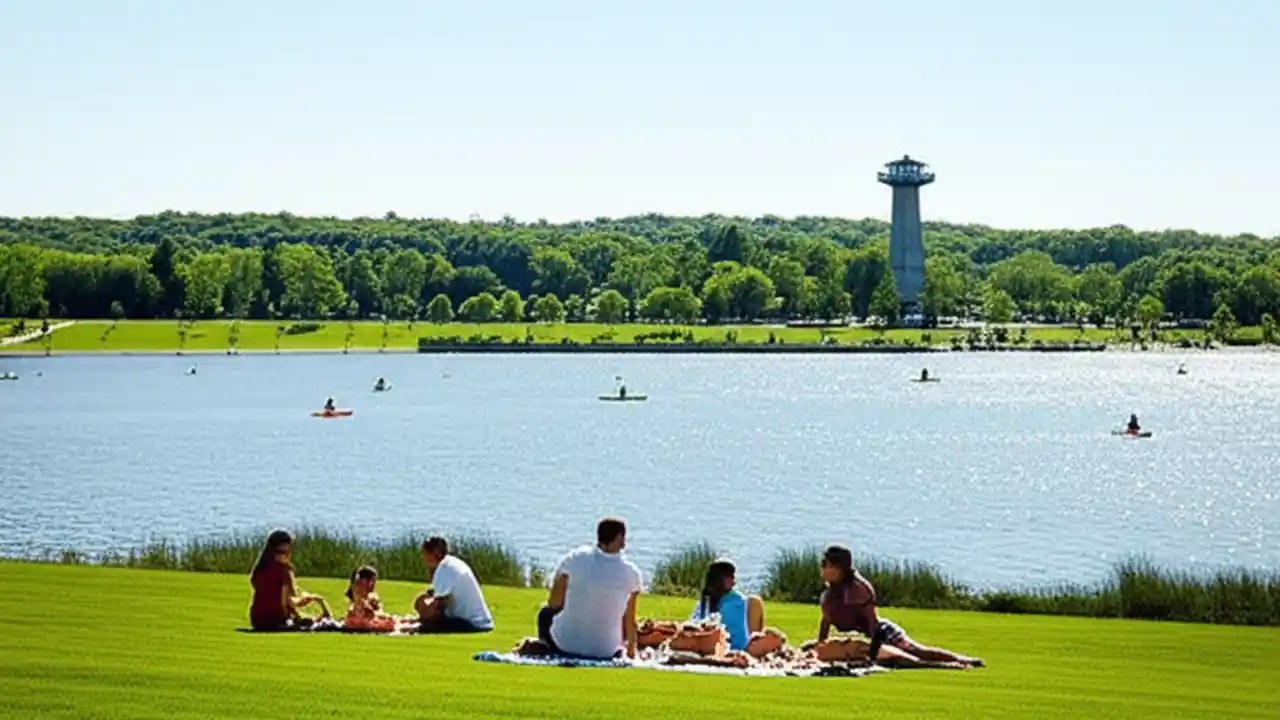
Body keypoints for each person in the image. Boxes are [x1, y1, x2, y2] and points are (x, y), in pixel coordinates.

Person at [817, 545, 981, 667]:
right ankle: (951, 663)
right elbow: (826, 621)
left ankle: (959, 660)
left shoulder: (859, 590)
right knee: (903, 656)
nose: (821, 567)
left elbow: (873, 625)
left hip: (881, 633)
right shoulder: (830, 593)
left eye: (825, 564)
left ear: (837, 568)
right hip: (866, 635)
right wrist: (820, 648)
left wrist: (873, 656)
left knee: (915, 651)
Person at [537, 517, 643, 659]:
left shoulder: (575, 558)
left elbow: (554, 602)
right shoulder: (632, 574)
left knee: (545, 613)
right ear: (621, 539)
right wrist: (631, 652)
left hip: (565, 645)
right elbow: (629, 619)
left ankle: (545, 648)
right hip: (606, 651)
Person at [248, 529, 331, 630]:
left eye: (288, 551)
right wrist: (312, 599)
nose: (287, 555)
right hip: (275, 620)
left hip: (257, 620)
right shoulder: (283, 571)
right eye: (282, 552)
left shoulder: (260, 569)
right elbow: (285, 604)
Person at [413, 537, 494, 633]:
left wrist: (422, 610)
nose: (423, 557)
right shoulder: (451, 563)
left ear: (435, 553)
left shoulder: (445, 568)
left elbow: (437, 610)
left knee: (426, 626)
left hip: (473, 623)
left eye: (424, 553)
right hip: (479, 622)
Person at [689, 559, 765, 651]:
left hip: (740, 650)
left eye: (733, 577)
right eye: (729, 577)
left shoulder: (744, 602)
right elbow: (692, 629)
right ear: (718, 578)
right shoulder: (704, 604)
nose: (733, 582)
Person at [345, 565, 415, 632]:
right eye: (373, 581)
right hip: (365, 622)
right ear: (365, 581)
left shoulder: (369, 597)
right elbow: (369, 615)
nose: (374, 585)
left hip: (367, 621)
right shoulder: (360, 596)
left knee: (401, 620)